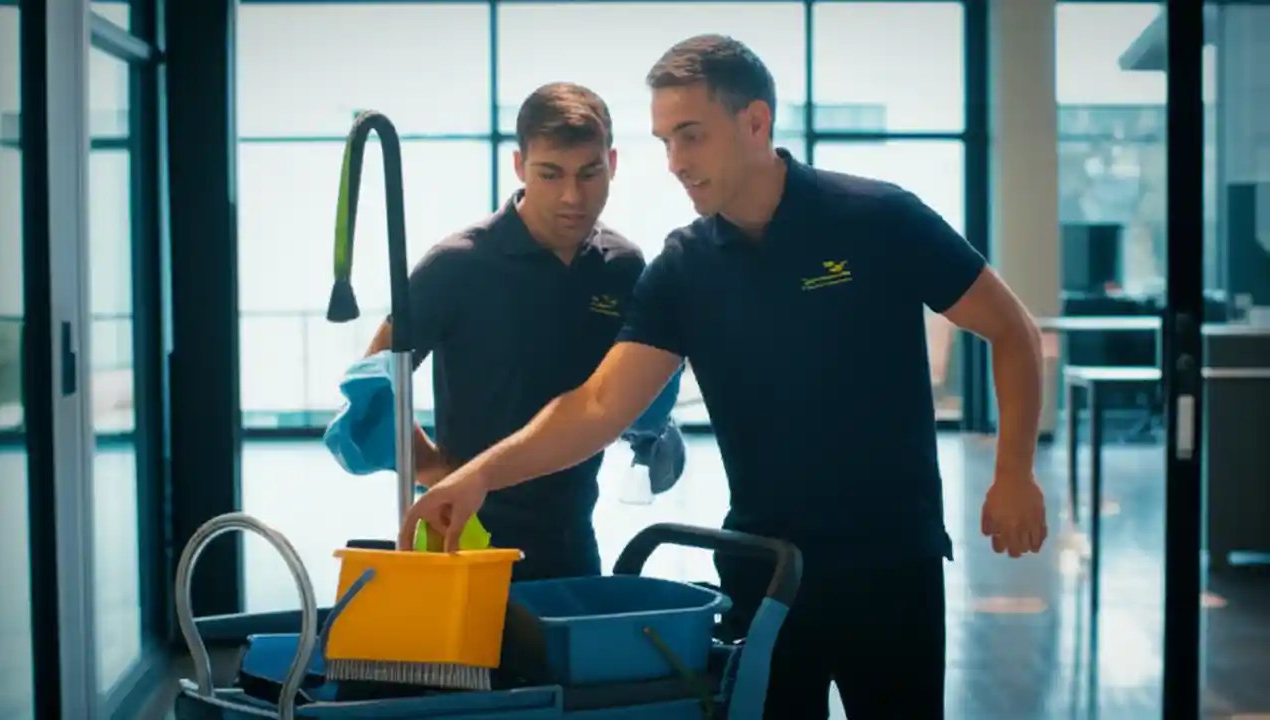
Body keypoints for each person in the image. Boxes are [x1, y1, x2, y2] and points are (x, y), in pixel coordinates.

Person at [399, 34, 1048, 719]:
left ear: (756, 122)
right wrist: (477, 474)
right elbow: (595, 405)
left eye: (691, 136)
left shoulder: (879, 219)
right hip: (762, 573)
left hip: (890, 567)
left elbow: (1011, 330)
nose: (676, 162)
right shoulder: (683, 270)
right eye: (665, 142)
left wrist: (1013, 470)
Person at [358, 81, 682, 581]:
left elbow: (624, 391)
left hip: (572, 537)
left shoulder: (622, 266)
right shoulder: (458, 264)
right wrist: (437, 473)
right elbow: (373, 390)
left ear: (612, 164)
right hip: (464, 537)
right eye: (550, 174)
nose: (572, 196)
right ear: (519, 166)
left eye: (589, 173)